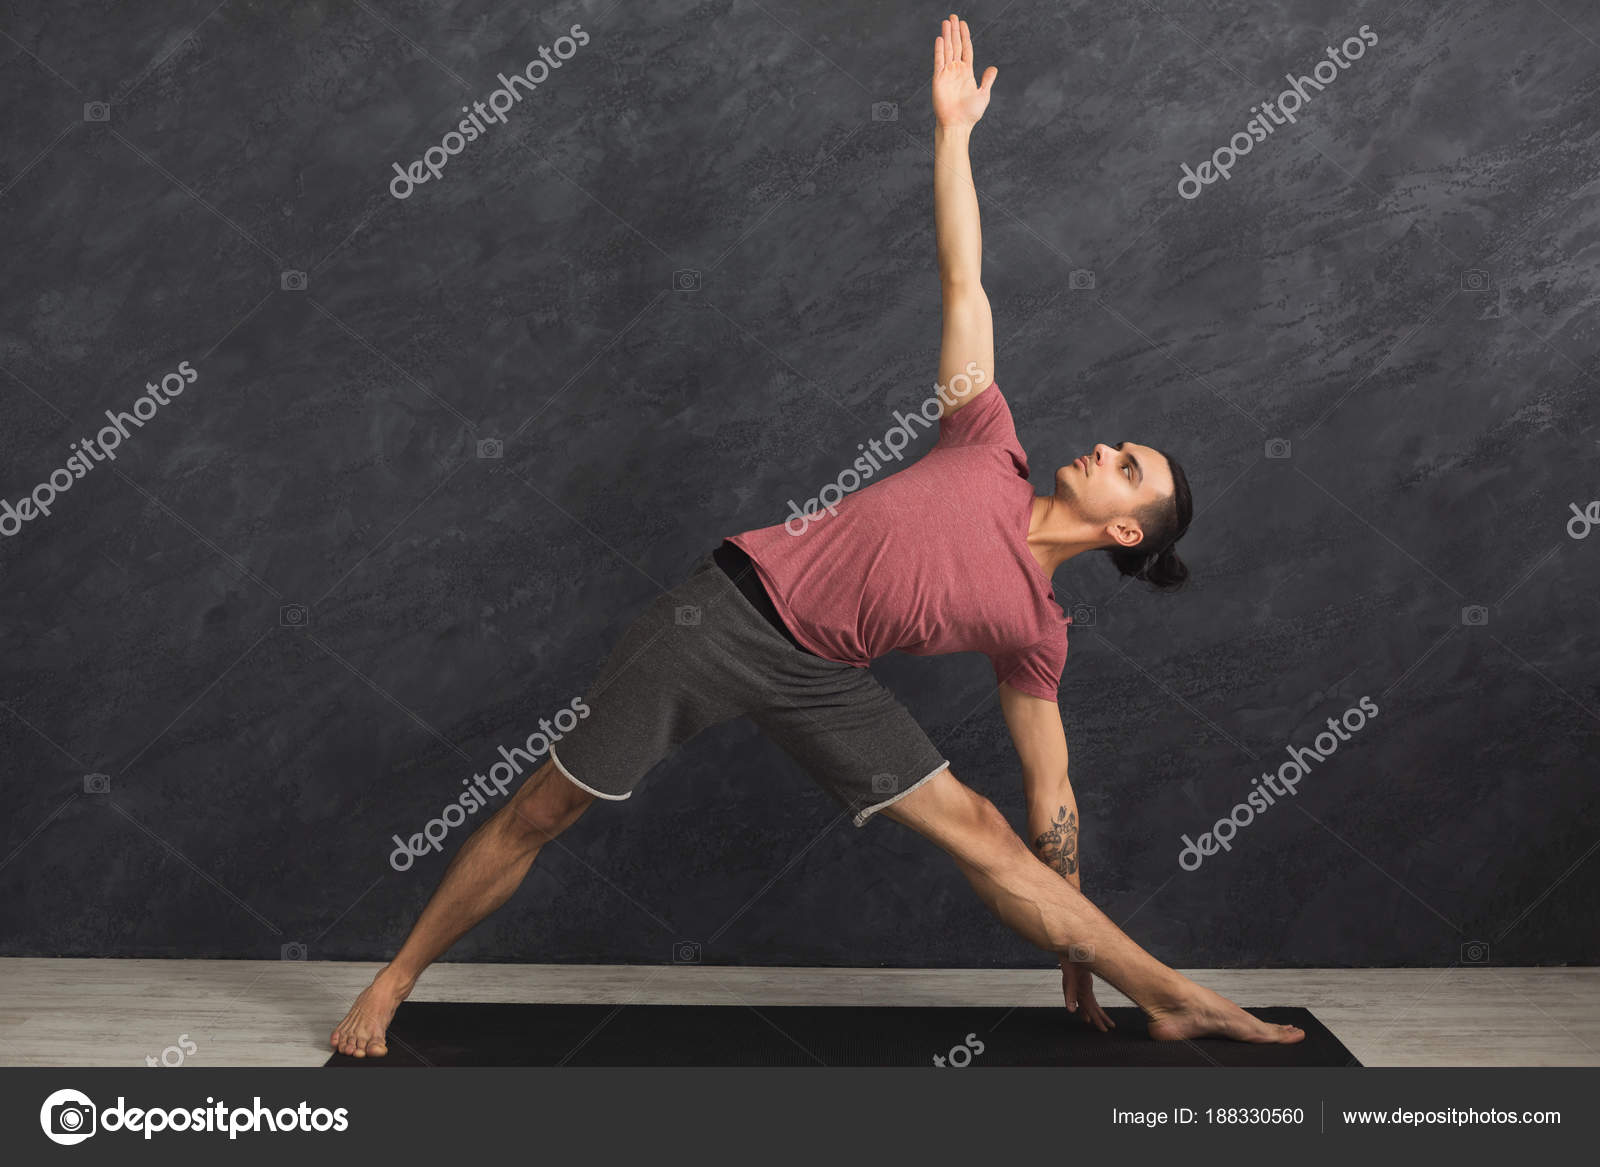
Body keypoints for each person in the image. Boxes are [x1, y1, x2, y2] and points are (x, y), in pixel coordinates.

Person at [331, 12, 1302, 1058]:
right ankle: (391, 985)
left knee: (981, 831)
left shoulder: (1037, 631)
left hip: (824, 681)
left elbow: (1049, 798)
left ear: (1121, 528)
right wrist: (952, 136)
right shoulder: (989, 441)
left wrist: (1079, 948)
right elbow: (964, 281)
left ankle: (1171, 994)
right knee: (543, 810)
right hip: (722, 616)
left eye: (1128, 466)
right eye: (1120, 443)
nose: (1108, 449)